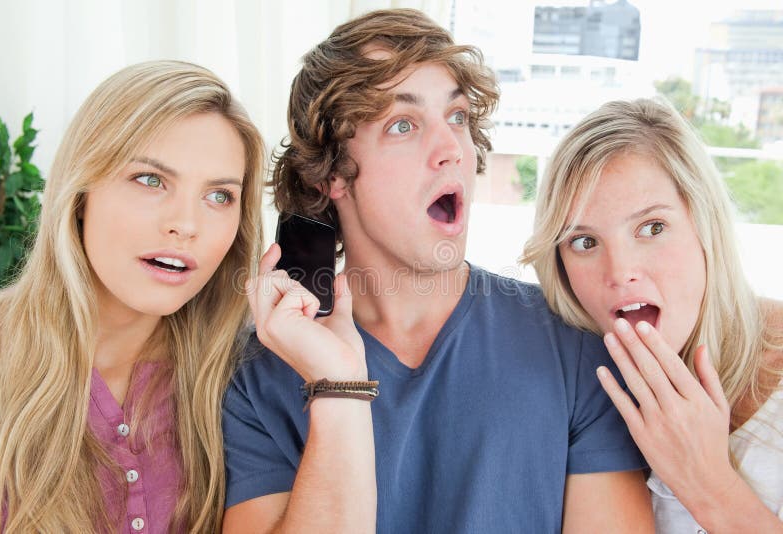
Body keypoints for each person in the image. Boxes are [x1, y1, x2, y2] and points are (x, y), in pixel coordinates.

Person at [222, 9, 653, 533]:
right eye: (403, 125)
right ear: (332, 174)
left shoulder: (576, 349)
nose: (451, 150)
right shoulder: (257, 379)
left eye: (458, 117)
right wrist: (335, 386)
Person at [0, 60, 265, 533]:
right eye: (151, 180)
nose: (186, 224)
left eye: (219, 196)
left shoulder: (240, 376)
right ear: (81, 191)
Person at [523, 98, 783, 533]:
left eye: (652, 227)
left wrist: (709, 486)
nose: (621, 272)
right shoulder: (575, 391)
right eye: (584, 242)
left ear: (704, 223)